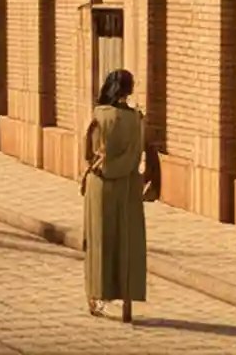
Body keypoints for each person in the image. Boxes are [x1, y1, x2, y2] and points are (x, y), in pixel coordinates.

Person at [82, 68, 148, 323]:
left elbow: (89, 151)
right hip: (129, 186)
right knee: (127, 239)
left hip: (100, 185)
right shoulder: (137, 119)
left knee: (100, 239)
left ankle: (96, 296)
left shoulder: (100, 115)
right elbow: (141, 149)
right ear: (129, 89)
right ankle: (127, 300)